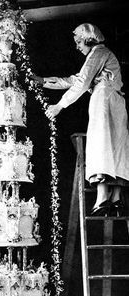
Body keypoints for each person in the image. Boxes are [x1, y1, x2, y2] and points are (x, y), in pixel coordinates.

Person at [32, 23, 129, 216]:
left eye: (78, 41)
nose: (77, 46)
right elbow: (74, 80)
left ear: (88, 39)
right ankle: (116, 199)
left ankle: (102, 198)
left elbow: (82, 83)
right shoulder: (101, 56)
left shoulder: (97, 53)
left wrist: (59, 105)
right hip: (116, 101)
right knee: (116, 145)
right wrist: (43, 81)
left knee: (101, 143)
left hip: (104, 99)